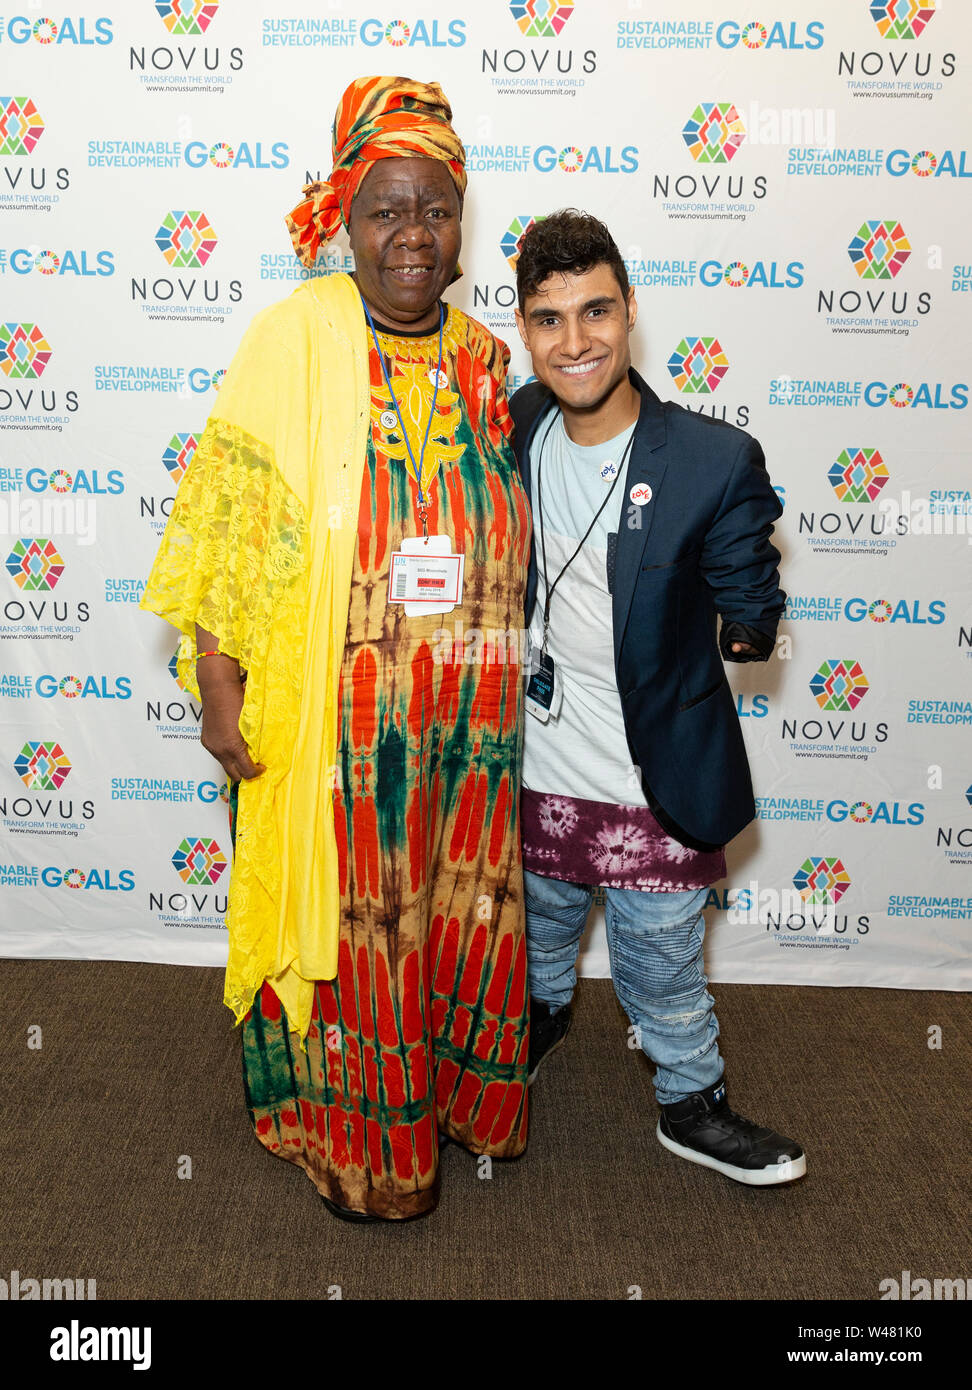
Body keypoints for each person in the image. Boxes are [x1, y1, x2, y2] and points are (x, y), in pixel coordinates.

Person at [141, 76, 531, 1221]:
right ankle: (362, 1149)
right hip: (340, 727)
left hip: (468, 718)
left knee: (454, 910)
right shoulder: (293, 338)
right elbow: (228, 532)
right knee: (364, 922)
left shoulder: (483, 357)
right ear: (344, 221)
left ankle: (454, 1098)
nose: (414, 235)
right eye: (386, 209)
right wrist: (220, 685)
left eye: (436, 208)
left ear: (462, 221)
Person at [509, 209, 804, 1186]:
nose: (576, 339)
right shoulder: (508, 427)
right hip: (529, 771)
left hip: (652, 780)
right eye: (550, 319)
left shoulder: (710, 458)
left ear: (631, 310)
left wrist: (746, 620)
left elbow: (745, 569)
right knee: (536, 930)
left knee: (661, 968)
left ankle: (692, 1103)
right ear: (525, 328)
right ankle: (534, 1028)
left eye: (596, 310)